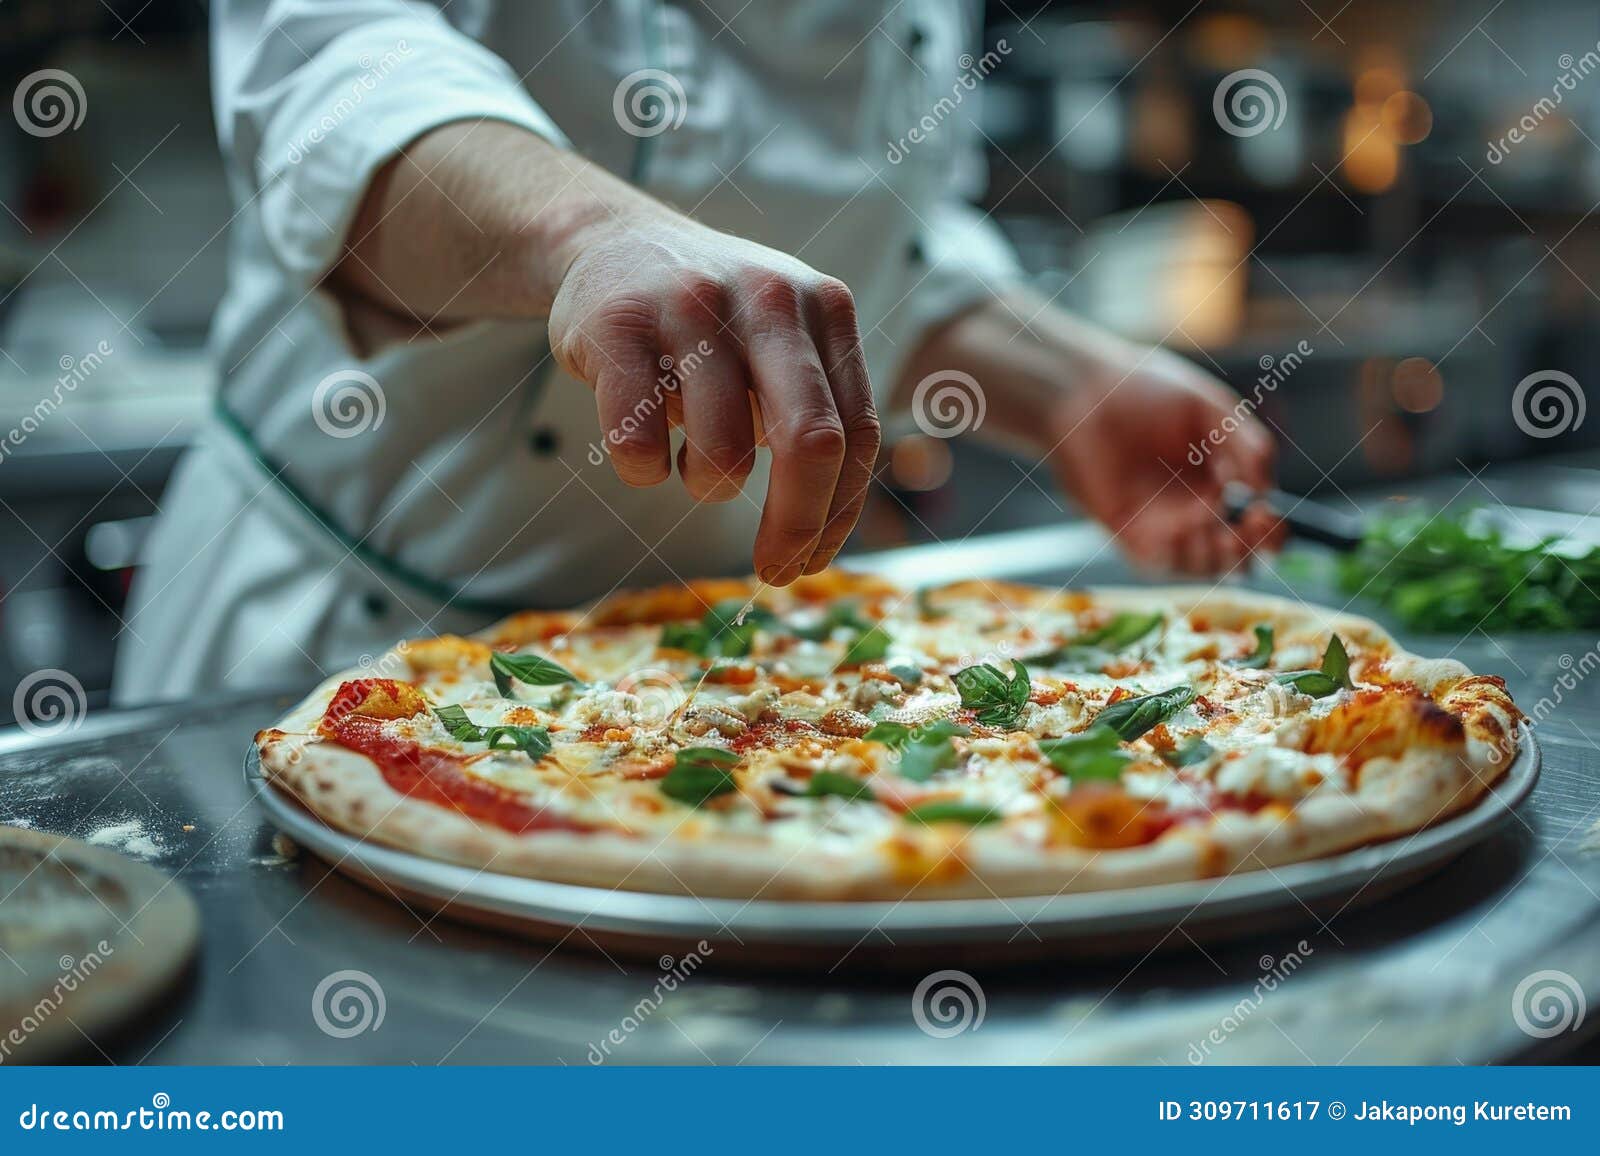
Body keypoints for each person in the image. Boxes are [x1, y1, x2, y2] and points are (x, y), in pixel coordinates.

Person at [113, 0, 1280, 703]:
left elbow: (877, 259)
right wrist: (587, 236)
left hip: (717, 685)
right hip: (350, 640)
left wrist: (1071, 388)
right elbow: (336, 85)